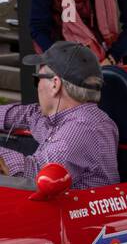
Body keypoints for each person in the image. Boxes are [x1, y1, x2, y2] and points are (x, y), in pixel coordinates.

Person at [0, 42, 119, 188]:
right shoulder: (61, 115)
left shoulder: (83, 127)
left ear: (55, 84)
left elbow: (35, 177)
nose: (37, 87)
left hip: (75, 208)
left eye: (37, 79)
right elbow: (27, 115)